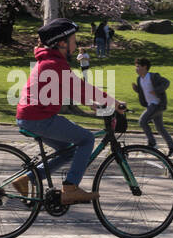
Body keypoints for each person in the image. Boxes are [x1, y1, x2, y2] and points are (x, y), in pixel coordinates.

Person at [15, 18, 125, 205]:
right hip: (39, 118)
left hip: (32, 117)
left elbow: (70, 89)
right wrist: (114, 103)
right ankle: (71, 187)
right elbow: (80, 87)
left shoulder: (51, 61)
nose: (76, 43)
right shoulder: (53, 63)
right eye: (73, 40)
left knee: (67, 151)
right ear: (62, 43)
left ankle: (26, 179)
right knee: (87, 139)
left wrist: (91, 103)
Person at [133, 58, 173, 156]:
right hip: (150, 105)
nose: (136, 69)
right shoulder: (139, 79)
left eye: (138, 66)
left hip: (157, 104)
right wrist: (137, 89)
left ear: (144, 67)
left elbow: (166, 82)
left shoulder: (153, 76)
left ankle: (152, 143)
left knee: (142, 121)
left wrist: (157, 90)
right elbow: (144, 91)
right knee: (160, 128)